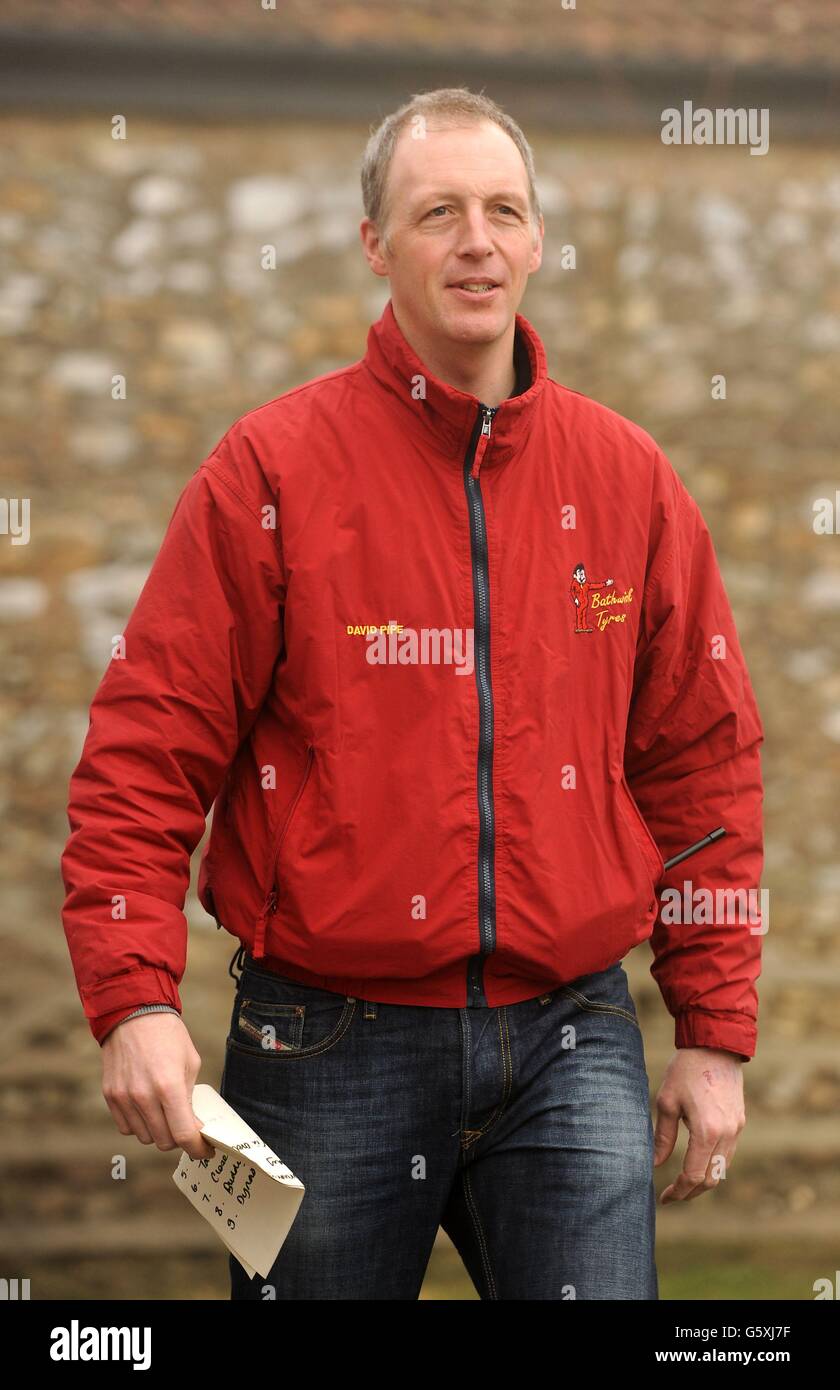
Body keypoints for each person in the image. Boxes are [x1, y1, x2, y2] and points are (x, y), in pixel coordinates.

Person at [60, 87, 765, 1300]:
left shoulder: (631, 481)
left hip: (572, 1034)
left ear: (538, 241)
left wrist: (713, 1029)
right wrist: (132, 997)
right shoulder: (269, 472)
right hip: (320, 1043)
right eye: (438, 213)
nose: (477, 242)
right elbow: (147, 746)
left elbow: (703, 765)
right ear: (375, 244)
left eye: (504, 211)